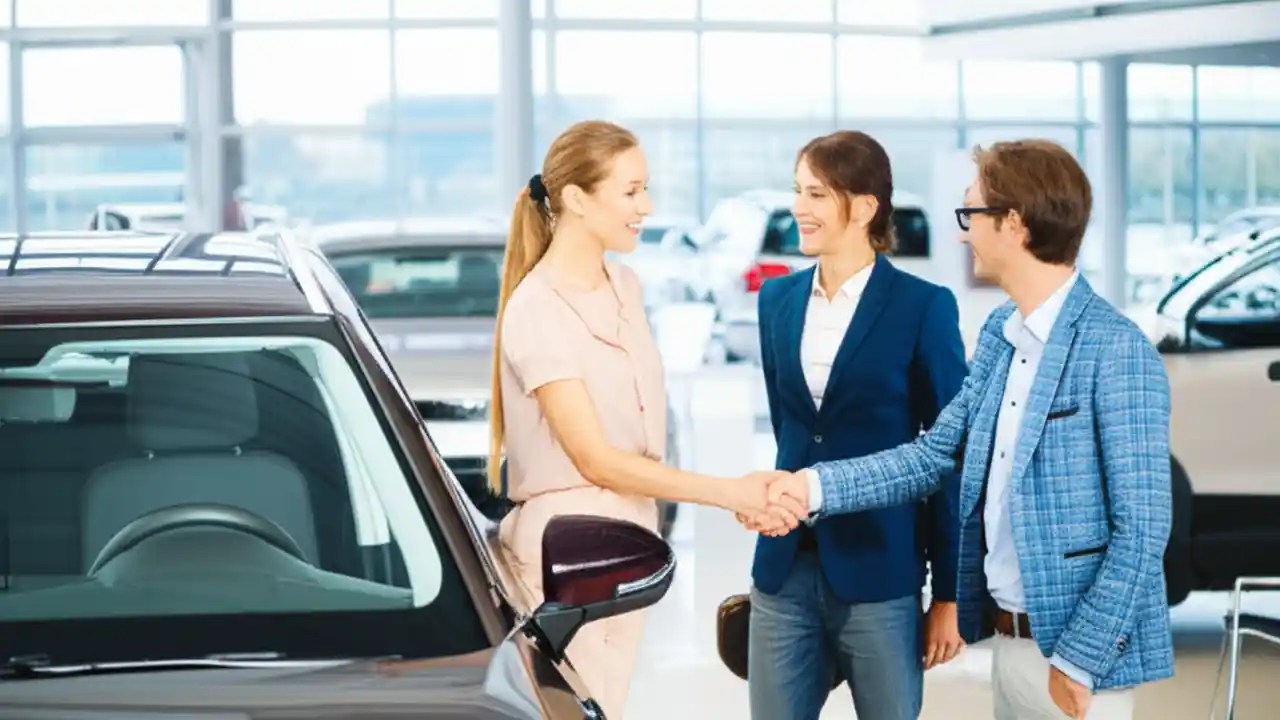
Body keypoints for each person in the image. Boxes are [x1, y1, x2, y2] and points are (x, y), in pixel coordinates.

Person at [764, 138, 1175, 720]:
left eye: (971, 215)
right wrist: (812, 488)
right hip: (1010, 644)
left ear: (1013, 224)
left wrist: (1080, 660)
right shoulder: (1001, 335)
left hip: (1078, 663)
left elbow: (1143, 527)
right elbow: (932, 455)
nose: (962, 234)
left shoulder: (1116, 349)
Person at [489, 119, 802, 719]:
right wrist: (727, 492)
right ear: (577, 199)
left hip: (628, 536)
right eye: (631, 191)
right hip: (568, 549)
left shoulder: (625, 284)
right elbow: (596, 459)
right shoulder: (538, 307)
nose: (647, 207)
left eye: (646, 189)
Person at [744, 130, 967, 720]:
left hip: (881, 568)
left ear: (864, 206)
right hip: (784, 566)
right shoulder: (777, 300)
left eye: (816, 194)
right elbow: (789, 428)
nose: (799, 208)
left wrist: (948, 592)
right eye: (798, 191)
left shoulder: (924, 306)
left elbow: (950, 458)